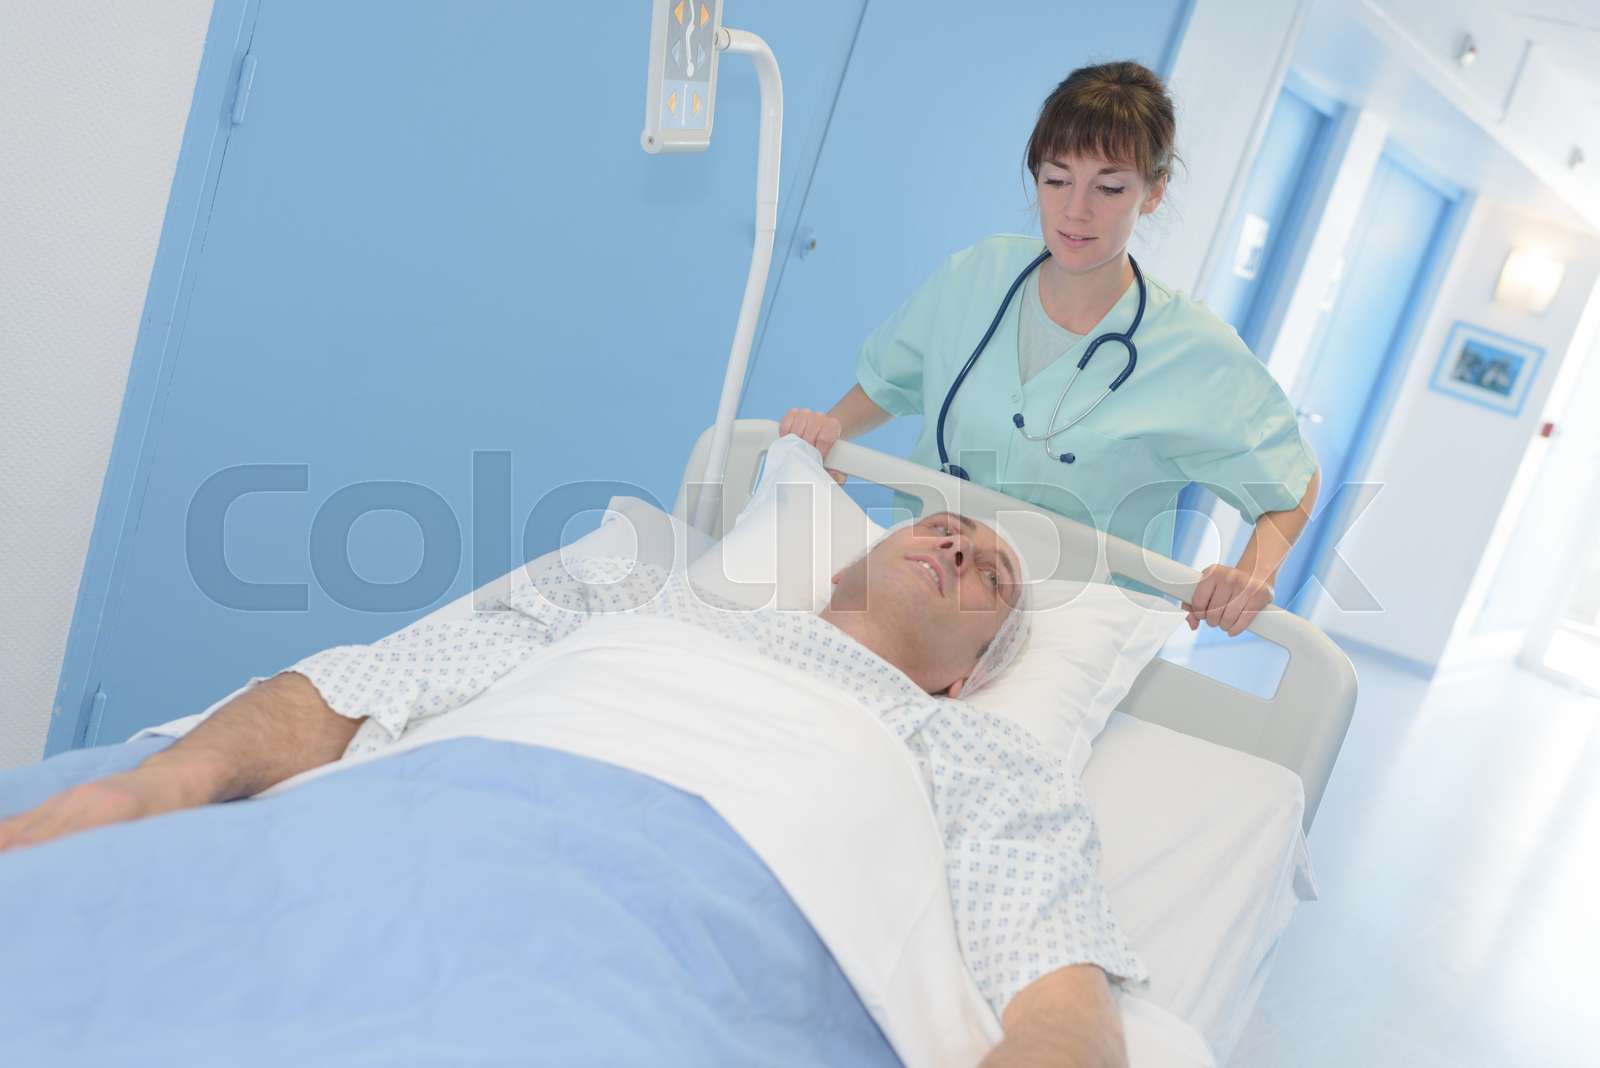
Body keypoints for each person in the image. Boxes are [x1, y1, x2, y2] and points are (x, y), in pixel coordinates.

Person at [0, 512, 1142, 1068]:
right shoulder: (631, 605)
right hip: (401, 826)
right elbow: (365, 685)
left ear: (966, 677)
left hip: (663, 937)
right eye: (942, 528)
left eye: (990, 573)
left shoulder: (975, 758)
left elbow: (1060, 1014)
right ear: (840, 562)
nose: (960, 548)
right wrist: (153, 787)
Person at [782, 60, 1321, 638]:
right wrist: (824, 435)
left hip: (1066, 638)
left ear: (1155, 191)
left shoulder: (1191, 350)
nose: (1075, 210)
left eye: (1110, 188)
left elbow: (1292, 481)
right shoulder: (978, 276)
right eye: (1056, 179)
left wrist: (1251, 575)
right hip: (926, 603)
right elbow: (890, 381)